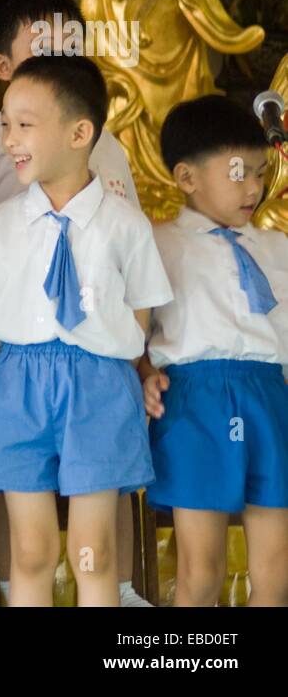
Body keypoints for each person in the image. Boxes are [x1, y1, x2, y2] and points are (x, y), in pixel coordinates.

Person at [0, 55, 172, 606]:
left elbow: (141, 317)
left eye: (25, 124)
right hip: (16, 385)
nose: (10, 139)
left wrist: (134, 368)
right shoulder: (0, 223)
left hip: (99, 386)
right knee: (30, 550)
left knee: (94, 551)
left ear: (80, 133)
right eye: (6, 124)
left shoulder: (126, 224)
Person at [143, 95, 288, 606]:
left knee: (276, 576)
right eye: (238, 172)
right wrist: (142, 371)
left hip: (270, 399)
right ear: (186, 178)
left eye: (260, 172)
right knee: (201, 571)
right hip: (195, 401)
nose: (254, 187)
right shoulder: (157, 244)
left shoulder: (278, 249)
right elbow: (132, 330)